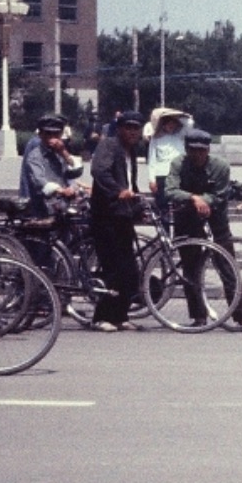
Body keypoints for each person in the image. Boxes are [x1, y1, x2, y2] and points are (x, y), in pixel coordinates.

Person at [169, 129, 242, 328]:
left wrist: (204, 200)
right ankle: (198, 315)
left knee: (226, 262)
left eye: (202, 150)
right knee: (191, 265)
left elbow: (220, 194)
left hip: (216, 213)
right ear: (186, 149)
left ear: (208, 150)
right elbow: (170, 190)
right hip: (187, 213)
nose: (198, 155)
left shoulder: (220, 166)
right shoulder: (178, 164)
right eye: (193, 150)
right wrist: (193, 198)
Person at [86, 113, 146, 332]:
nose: (132, 132)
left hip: (123, 216)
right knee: (112, 269)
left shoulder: (131, 151)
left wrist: (138, 206)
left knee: (130, 270)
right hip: (106, 215)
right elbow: (98, 171)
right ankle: (100, 317)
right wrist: (117, 191)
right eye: (128, 127)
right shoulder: (109, 145)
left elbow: (130, 183)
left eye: (136, 128)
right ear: (119, 128)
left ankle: (120, 315)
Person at [18, 115, 83, 217]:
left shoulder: (60, 152)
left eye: (56, 134)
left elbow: (75, 172)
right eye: (48, 134)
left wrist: (64, 152)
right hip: (42, 208)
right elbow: (40, 182)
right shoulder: (35, 155)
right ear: (40, 134)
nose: (52, 138)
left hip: (63, 207)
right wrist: (61, 190)